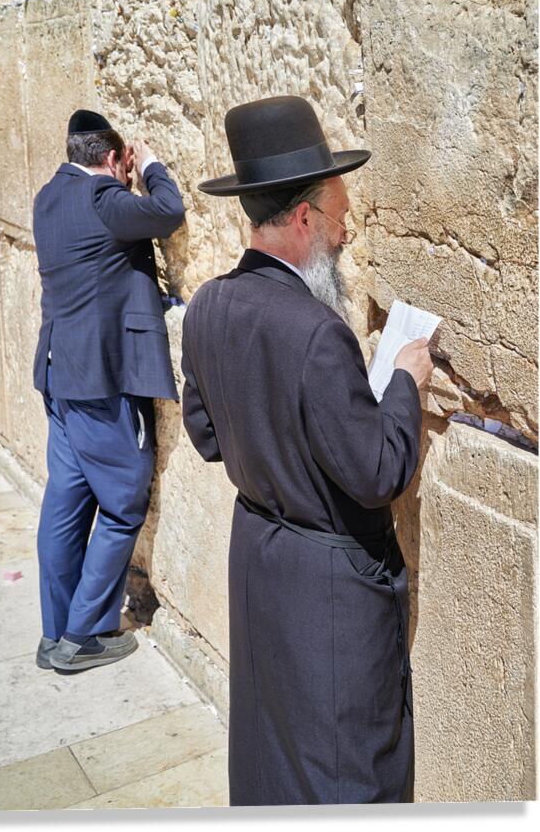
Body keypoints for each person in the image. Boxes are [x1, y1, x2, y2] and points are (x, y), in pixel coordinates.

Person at [180, 94, 432, 805]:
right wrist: (404, 384)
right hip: (328, 598)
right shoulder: (319, 333)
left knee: (275, 766)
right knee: (346, 775)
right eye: (342, 217)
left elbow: (206, 435)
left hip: (261, 571)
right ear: (302, 219)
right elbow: (377, 468)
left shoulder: (206, 306)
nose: (347, 235)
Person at [32, 109, 185, 673]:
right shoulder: (105, 201)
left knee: (64, 506)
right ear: (112, 159)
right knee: (122, 503)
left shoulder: (48, 198)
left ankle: (53, 634)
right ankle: (85, 637)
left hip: (59, 377)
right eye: (123, 164)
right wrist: (149, 165)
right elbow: (168, 211)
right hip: (103, 381)